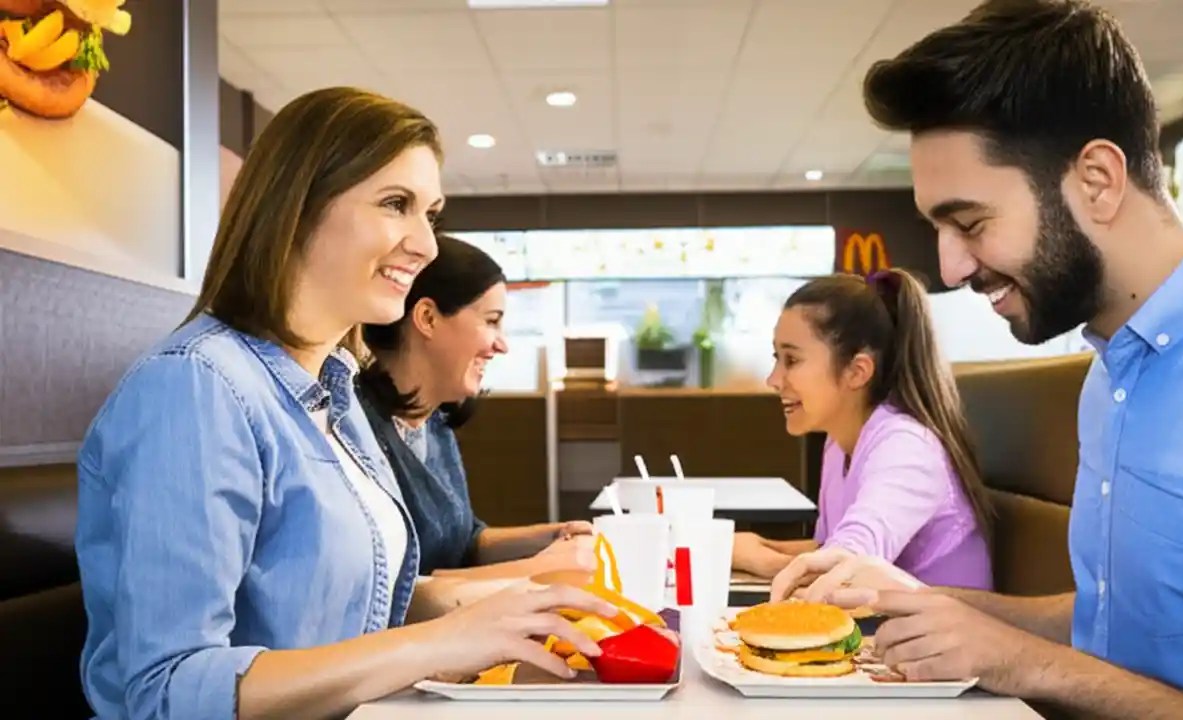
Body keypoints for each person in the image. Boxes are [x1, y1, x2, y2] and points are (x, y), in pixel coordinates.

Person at [781, 1, 1183, 716]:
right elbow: (1120, 623)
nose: (949, 267)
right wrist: (909, 599)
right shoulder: (1112, 367)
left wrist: (1022, 663)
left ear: (1098, 181)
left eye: (971, 222)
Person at [74, 87, 615, 720]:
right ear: (296, 208)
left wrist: (521, 600)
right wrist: (438, 642)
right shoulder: (195, 387)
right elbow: (168, 688)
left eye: (430, 214)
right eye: (395, 205)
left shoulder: (333, 387)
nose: (427, 245)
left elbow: (356, 609)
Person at [733, 269, 993, 591]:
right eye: (777, 358)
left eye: (792, 360)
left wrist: (757, 558)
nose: (773, 379)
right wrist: (753, 545)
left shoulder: (906, 446)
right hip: (886, 628)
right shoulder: (837, 444)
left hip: (945, 637)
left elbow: (844, 568)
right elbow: (829, 548)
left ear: (857, 372)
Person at [357, 234, 596, 579]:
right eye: (491, 320)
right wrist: (534, 569)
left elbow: (465, 541)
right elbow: (396, 594)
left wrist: (556, 536)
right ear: (427, 318)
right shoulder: (357, 434)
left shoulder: (434, 424)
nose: (502, 345)